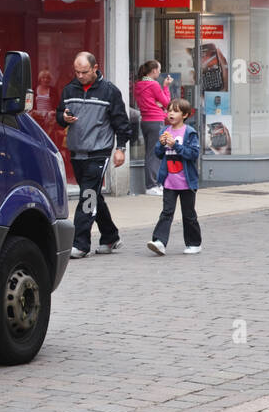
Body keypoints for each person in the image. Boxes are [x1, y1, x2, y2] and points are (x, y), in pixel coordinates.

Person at [57, 51, 134, 258]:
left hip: (99, 152)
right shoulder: (69, 89)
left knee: (87, 196)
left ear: (95, 68)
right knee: (93, 195)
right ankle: (110, 236)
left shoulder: (110, 92)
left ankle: (81, 244)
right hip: (77, 151)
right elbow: (58, 115)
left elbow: (122, 123)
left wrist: (121, 149)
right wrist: (63, 117)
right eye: (77, 72)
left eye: (84, 72)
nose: (80, 76)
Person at [147, 99, 202, 255]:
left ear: (184, 115)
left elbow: (193, 154)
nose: (171, 113)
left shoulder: (189, 132)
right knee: (166, 212)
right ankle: (159, 242)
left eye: (175, 111)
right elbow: (158, 154)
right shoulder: (165, 130)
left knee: (189, 214)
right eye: (169, 110)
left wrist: (175, 145)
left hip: (187, 181)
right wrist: (161, 144)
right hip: (169, 181)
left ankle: (194, 243)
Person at [133, 59, 173, 196]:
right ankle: (151, 185)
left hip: (145, 121)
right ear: (154, 71)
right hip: (156, 121)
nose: (160, 72)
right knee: (154, 154)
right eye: (159, 70)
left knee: (151, 153)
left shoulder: (138, 85)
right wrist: (166, 87)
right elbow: (166, 102)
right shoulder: (154, 85)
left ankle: (155, 184)